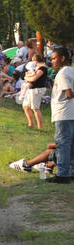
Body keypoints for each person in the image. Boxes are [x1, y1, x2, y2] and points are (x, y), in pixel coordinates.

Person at [51, 45, 73, 184]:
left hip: (63, 113)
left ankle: (62, 174)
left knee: (63, 143)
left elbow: (68, 93)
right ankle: (71, 171)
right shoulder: (72, 70)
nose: (52, 61)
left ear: (63, 58)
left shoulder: (63, 73)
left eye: (54, 58)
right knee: (71, 144)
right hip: (71, 112)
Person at [23, 59, 49, 129]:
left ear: (36, 61)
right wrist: (27, 78)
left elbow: (33, 78)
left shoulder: (42, 68)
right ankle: (31, 124)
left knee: (35, 108)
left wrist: (26, 78)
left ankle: (40, 127)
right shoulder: (35, 69)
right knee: (26, 106)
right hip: (31, 89)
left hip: (37, 89)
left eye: (33, 60)